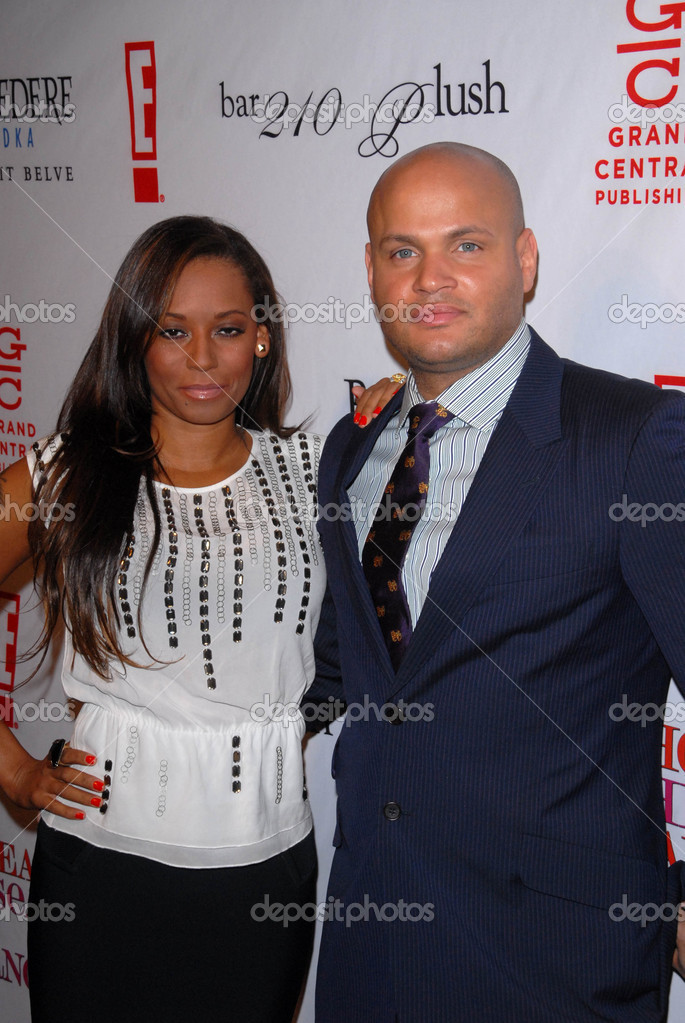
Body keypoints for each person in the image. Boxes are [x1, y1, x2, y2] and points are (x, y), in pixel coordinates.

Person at [305, 142, 685, 1022]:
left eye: (465, 245)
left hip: (555, 961)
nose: (429, 278)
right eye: (402, 250)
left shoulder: (637, 438)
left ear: (524, 259)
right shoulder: (350, 447)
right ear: (370, 271)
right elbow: (342, 668)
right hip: (369, 942)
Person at [0, 215, 391, 1023]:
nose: (203, 358)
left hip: (266, 864)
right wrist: (14, 770)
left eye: (228, 328)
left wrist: (404, 409)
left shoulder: (315, 470)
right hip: (98, 869)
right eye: (173, 330)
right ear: (134, 337)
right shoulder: (67, 472)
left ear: (262, 338)